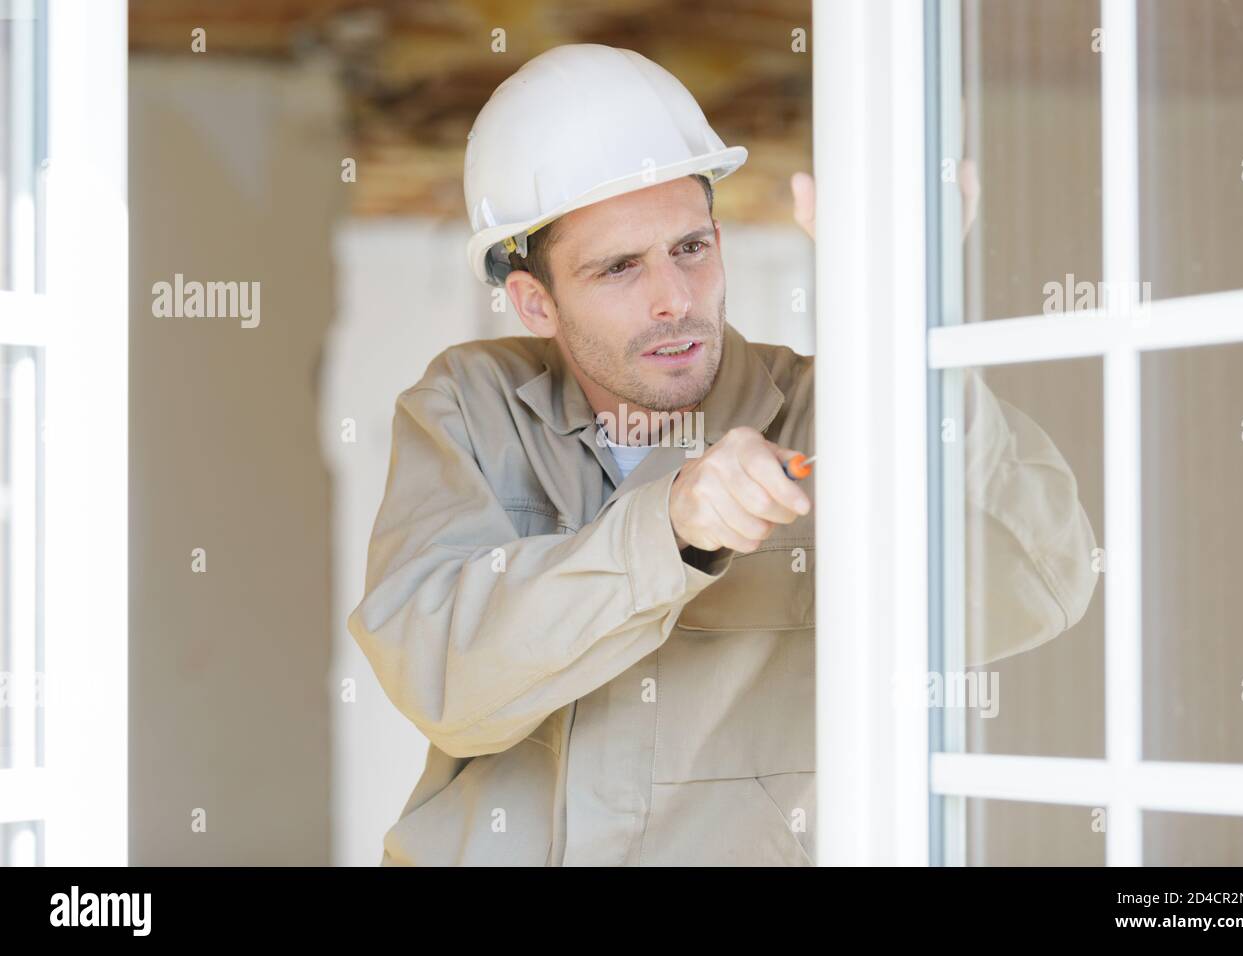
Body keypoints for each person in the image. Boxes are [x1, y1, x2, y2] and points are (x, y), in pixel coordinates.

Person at [347, 43, 1097, 866]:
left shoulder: (832, 409)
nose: (674, 297)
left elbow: (1043, 586)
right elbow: (443, 685)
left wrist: (909, 328)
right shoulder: (470, 406)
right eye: (619, 267)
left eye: (691, 248)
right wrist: (668, 529)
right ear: (535, 301)